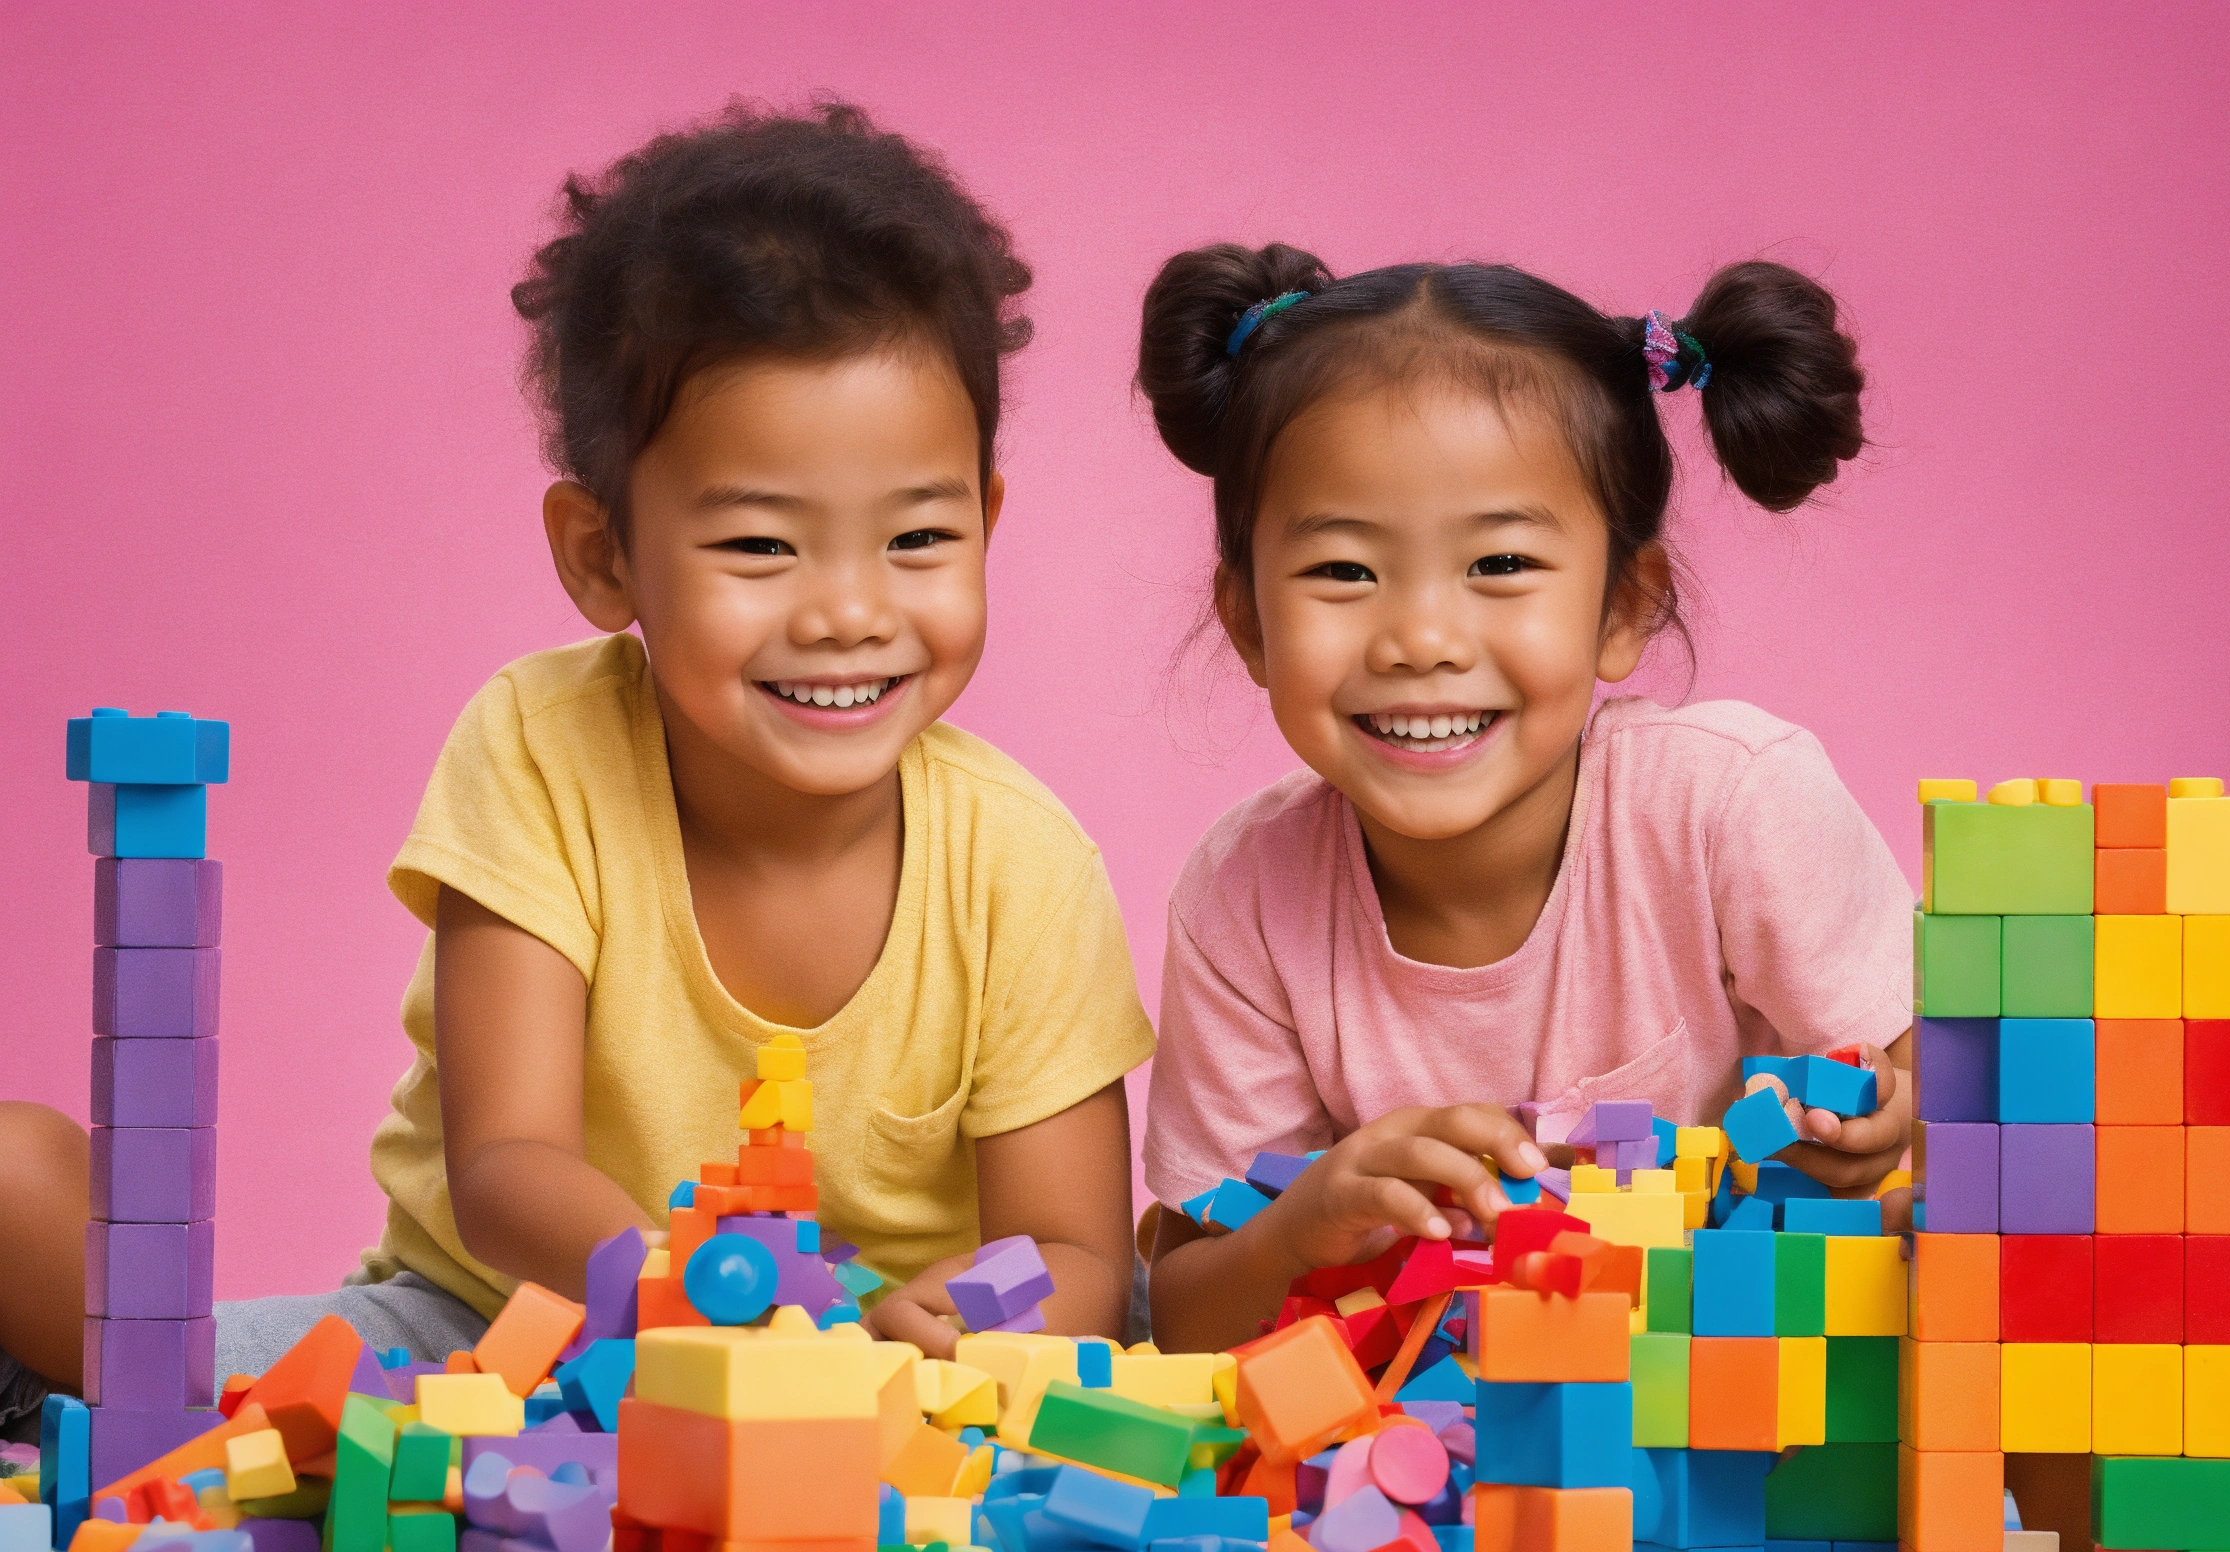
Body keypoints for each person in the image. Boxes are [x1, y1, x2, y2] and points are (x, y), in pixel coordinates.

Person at [0, 104, 1152, 1429]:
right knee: (24, 1191)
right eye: (762, 548)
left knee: (1136, 1329)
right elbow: (506, 1164)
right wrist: (712, 1314)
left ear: (987, 523)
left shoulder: (1023, 858)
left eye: (917, 540)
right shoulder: (543, 750)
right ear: (605, 556)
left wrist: (924, 1341)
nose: (849, 611)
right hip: (506, 1335)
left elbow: (1075, 1254)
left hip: (879, 1387)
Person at [1134, 246, 1914, 1352]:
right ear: (1250, 623)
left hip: (1747, 1429)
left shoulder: (1729, 806)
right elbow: (1181, 1317)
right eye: (1345, 572)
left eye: (1498, 564)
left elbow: (1950, 1103)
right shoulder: (1247, 892)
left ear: (1625, 607)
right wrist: (1300, 1230)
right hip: (1414, 1474)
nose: (1420, 640)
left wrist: (1887, 1118)